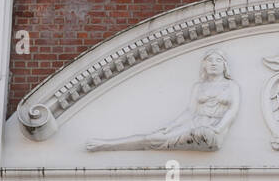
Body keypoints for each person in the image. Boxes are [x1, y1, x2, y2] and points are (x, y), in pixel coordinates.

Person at [87, 49, 240, 151]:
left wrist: (218, 128)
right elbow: (190, 112)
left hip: (212, 130)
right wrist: (170, 126)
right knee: (153, 138)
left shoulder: (231, 86)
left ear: (225, 65)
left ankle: (107, 144)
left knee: (202, 133)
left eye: (218, 60)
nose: (213, 63)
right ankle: (106, 144)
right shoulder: (198, 86)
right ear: (204, 66)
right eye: (209, 60)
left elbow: (232, 110)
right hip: (194, 123)